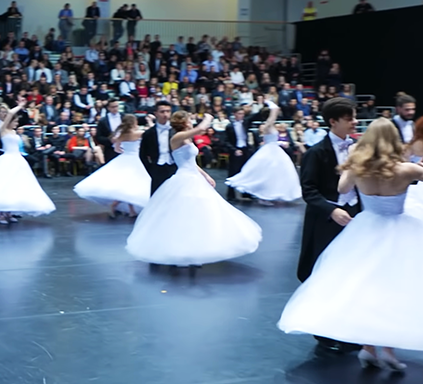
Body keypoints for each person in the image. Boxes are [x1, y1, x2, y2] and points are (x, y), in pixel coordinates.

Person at [279, 119, 423, 372]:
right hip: (399, 232)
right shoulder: (404, 170)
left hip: (365, 230)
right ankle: (386, 349)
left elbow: (341, 187)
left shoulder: (360, 167)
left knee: (365, 287)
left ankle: (369, 348)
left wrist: (353, 164)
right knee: (395, 289)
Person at [126, 112, 262, 266]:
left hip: (194, 177)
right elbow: (200, 130)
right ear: (183, 122)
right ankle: (180, 249)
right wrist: (208, 118)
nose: (191, 121)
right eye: (189, 119)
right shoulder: (177, 137)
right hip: (184, 180)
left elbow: (191, 162)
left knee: (201, 214)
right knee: (184, 215)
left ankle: (197, 248)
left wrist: (206, 175)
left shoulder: (186, 138)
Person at [296, 97, 362, 353]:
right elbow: (309, 191)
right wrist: (332, 209)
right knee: (324, 273)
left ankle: (347, 328)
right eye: (349, 118)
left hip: (356, 218)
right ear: (333, 122)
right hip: (326, 221)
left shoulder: (358, 149)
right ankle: (323, 328)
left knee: (350, 273)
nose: (355, 122)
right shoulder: (316, 152)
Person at [0, 104, 55, 225]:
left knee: (15, 185)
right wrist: (20, 106)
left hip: (18, 159)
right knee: (4, 185)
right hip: (7, 159)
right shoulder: (3, 130)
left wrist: (23, 110)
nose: (17, 123)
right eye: (15, 121)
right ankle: (2, 212)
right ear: (9, 121)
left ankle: (9, 212)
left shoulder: (13, 131)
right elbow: (10, 114)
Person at [224, 101, 302, 204]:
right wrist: (271, 105)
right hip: (266, 150)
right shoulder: (268, 124)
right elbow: (273, 115)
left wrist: (280, 142)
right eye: (239, 113)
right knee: (252, 172)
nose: (242, 115)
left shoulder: (262, 124)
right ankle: (234, 195)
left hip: (264, 149)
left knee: (270, 174)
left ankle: (256, 194)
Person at [74, 113, 149, 217]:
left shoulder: (121, 135)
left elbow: (116, 148)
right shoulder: (138, 133)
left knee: (127, 186)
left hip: (124, 158)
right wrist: (150, 122)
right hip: (134, 159)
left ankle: (129, 209)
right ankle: (123, 207)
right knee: (132, 186)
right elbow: (150, 133)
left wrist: (125, 151)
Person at [139, 101, 177, 195]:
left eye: (168, 111)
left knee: (175, 194)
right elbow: (143, 154)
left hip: (174, 166)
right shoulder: (149, 133)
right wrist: (150, 168)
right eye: (162, 111)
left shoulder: (176, 131)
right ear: (156, 113)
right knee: (157, 195)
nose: (165, 114)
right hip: (156, 167)